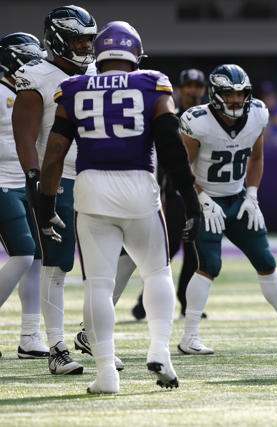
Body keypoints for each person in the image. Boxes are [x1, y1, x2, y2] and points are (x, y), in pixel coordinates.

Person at [38, 20, 200, 394]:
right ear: (135, 55)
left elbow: (54, 156)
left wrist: (46, 206)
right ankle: (160, 349)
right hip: (138, 185)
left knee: (98, 283)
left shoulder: (73, 88)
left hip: (91, 187)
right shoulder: (152, 83)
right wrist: (189, 200)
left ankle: (107, 372)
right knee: (156, 272)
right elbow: (172, 150)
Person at [178, 63, 277, 355]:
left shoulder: (257, 115)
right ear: (215, 94)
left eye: (241, 94)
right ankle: (189, 336)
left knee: (266, 260)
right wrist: (201, 199)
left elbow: (255, 159)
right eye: (228, 94)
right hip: (206, 199)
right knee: (209, 266)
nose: (236, 100)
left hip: (238, 197)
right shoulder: (197, 121)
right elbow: (182, 170)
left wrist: (252, 194)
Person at [13, 4, 98, 375]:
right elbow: (26, 136)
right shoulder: (35, 77)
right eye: (78, 39)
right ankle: (56, 347)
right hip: (58, 178)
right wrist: (34, 177)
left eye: (89, 39)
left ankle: (96, 337)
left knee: (104, 264)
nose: (85, 47)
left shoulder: (98, 72)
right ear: (58, 40)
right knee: (58, 264)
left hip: (98, 177)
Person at [131, 68, 207, 320]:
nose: (193, 91)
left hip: (201, 193)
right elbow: (164, 159)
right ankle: (145, 300)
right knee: (168, 248)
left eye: (197, 87)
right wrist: (159, 191)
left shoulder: (208, 118)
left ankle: (187, 303)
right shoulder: (169, 114)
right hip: (174, 194)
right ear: (181, 88)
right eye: (189, 86)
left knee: (195, 252)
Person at [0, 32, 48, 360]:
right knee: (23, 254)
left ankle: (30, 335)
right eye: (32, 58)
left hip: (28, 185)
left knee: (39, 260)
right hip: (2, 183)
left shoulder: (29, 92)